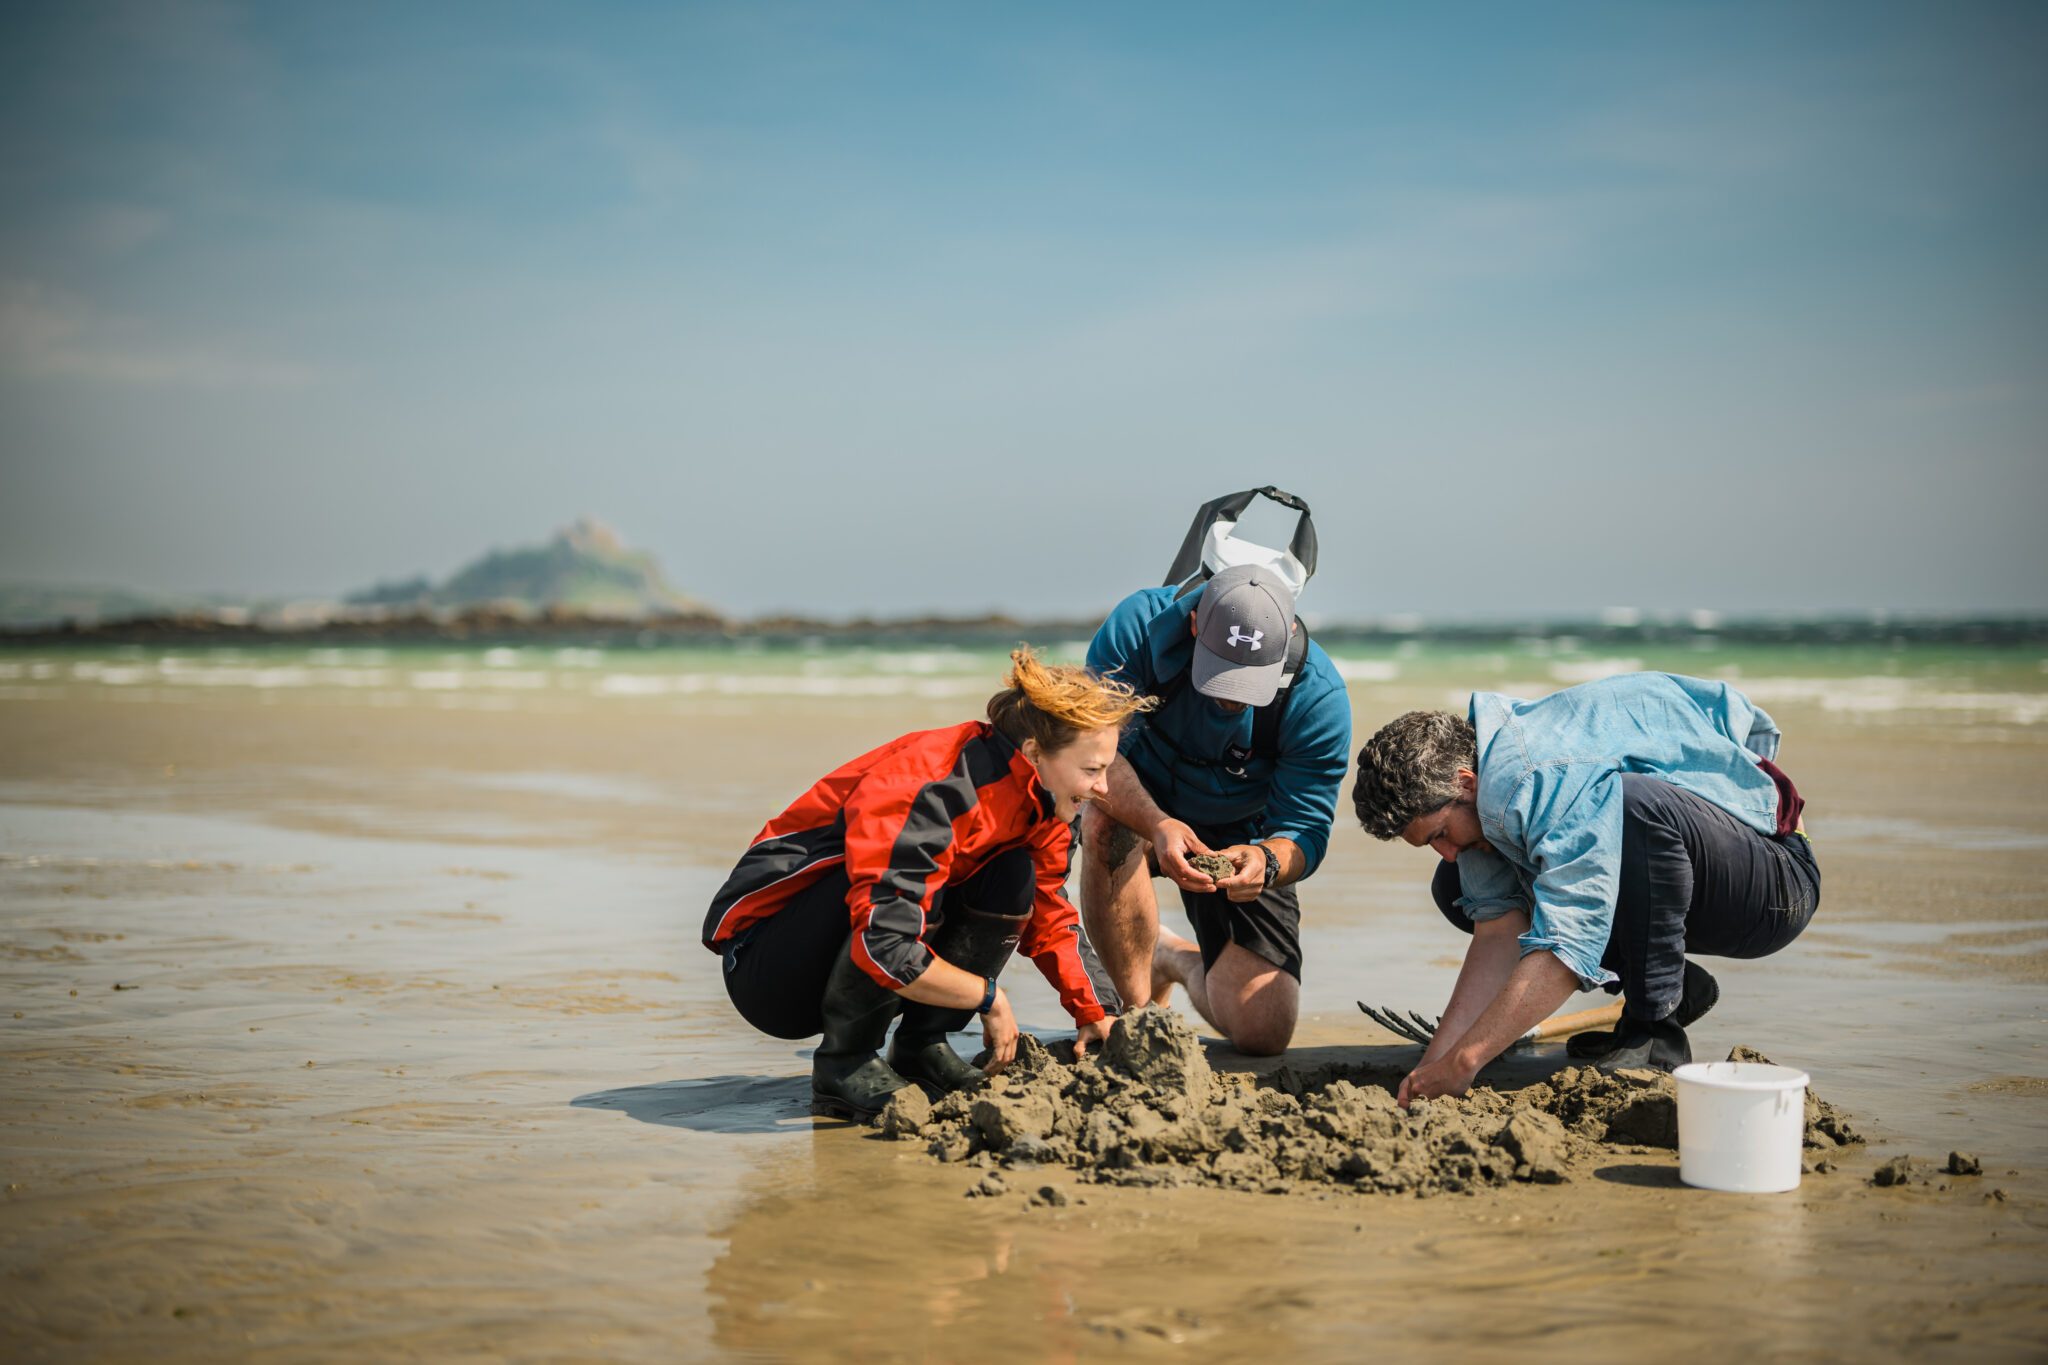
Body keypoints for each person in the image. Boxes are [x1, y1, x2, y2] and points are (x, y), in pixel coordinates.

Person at [702, 649, 1151, 1120]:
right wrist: (988, 997)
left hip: (863, 947)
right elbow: (884, 945)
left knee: (1013, 872)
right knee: (908, 890)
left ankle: (921, 1046)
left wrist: (1096, 1008)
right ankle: (845, 1061)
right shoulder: (930, 785)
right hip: (768, 966)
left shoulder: (1045, 801)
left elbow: (1050, 914)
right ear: (1036, 752)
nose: (1103, 788)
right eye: (1092, 770)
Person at [1350, 672, 1820, 1103]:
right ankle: (1665, 984)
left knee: (1632, 807)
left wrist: (1465, 1062)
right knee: (1453, 885)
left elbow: (1568, 944)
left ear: (1466, 783)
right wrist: (1434, 1066)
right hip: (1687, 874)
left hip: (1775, 886)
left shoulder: (1536, 777)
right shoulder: (1481, 785)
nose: (1446, 851)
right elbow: (1498, 934)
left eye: (1439, 834)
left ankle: (1654, 1032)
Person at [1080, 563, 1353, 1055]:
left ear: (1288, 636)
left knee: (1263, 1033)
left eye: (1249, 682)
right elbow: (1092, 756)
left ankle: (1168, 957)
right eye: (1220, 674)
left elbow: (1307, 829)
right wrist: (1157, 824)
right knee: (1102, 821)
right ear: (1193, 625)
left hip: (1241, 827)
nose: (1231, 696)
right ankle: (1136, 1018)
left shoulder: (1319, 697)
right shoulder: (1137, 628)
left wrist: (1267, 860)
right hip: (1139, 802)